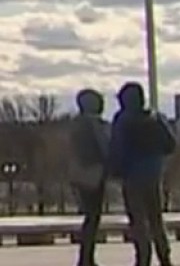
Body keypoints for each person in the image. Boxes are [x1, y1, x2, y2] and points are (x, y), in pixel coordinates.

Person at [106, 82, 174, 266]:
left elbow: (116, 148)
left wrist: (114, 170)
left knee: (138, 221)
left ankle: (142, 257)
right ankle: (164, 256)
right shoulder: (156, 117)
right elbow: (171, 145)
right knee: (156, 219)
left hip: (132, 176)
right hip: (154, 174)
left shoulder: (122, 120)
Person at [68, 88, 110, 266]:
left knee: (90, 217)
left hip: (80, 174)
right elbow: (104, 148)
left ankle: (86, 257)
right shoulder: (93, 124)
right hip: (94, 173)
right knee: (93, 217)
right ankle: (86, 258)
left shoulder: (76, 124)